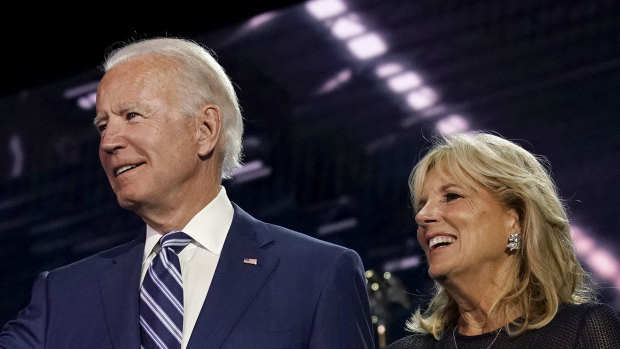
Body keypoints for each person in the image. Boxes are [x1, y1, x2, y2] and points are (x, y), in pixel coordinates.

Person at [0, 37, 375, 349]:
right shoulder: (62, 294)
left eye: (132, 116)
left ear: (205, 129)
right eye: (103, 125)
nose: (109, 141)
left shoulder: (318, 274)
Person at [387, 131, 620, 348]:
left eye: (451, 197)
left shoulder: (582, 332)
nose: (423, 216)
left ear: (515, 219)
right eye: (422, 204)